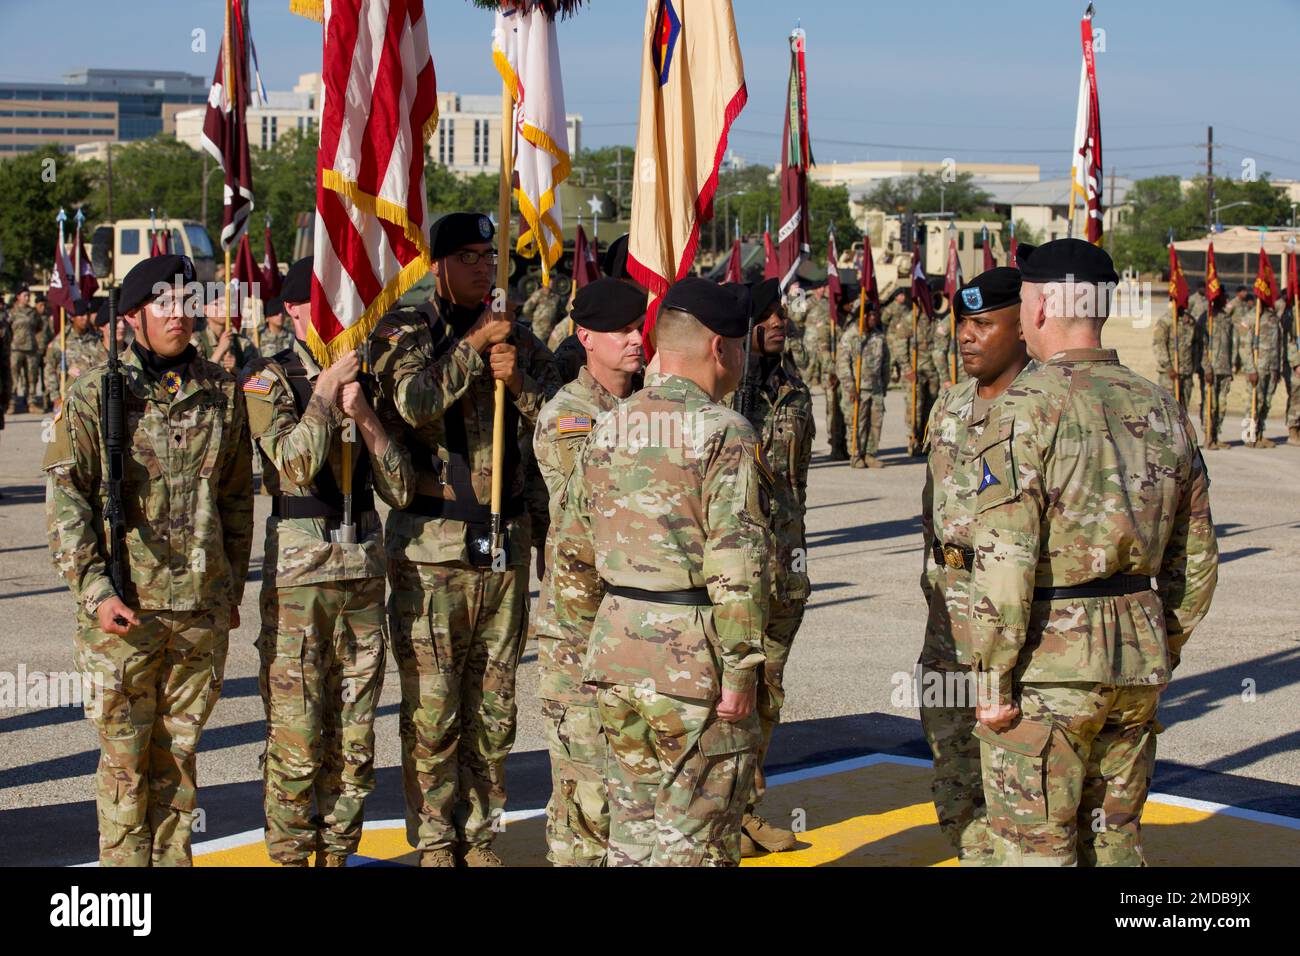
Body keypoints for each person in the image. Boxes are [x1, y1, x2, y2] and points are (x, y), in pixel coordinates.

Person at [965, 239, 1218, 867]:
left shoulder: (1025, 407)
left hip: (1048, 669)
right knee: (1116, 843)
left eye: (1023, 299)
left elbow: (1005, 557)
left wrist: (991, 679)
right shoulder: (1163, 407)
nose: (1020, 315)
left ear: (1045, 305)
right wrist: (1161, 642)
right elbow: (1198, 558)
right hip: (1136, 660)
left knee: (1033, 849)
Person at [44, 254, 254, 866]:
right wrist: (95, 590)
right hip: (123, 614)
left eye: (189, 303)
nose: (180, 315)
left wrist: (230, 590)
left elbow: (237, 498)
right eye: (166, 303)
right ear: (134, 316)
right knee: (125, 765)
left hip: (198, 613)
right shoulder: (95, 394)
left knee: (178, 764)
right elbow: (67, 504)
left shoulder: (220, 391)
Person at [552, 276, 771, 867]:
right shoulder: (724, 431)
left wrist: (582, 653)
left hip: (616, 649)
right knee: (694, 843)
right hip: (692, 661)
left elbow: (572, 551)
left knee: (631, 831)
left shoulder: (610, 425)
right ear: (721, 348)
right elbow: (737, 562)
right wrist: (743, 671)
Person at [369, 212, 560, 867]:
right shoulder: (404, 330)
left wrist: (521, 383)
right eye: (472, 256)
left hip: (503, 539)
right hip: (432, 548)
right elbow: (413, 404)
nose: (486, 267)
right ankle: (434, 838)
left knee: (495, 703)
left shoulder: (520, 338)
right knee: (434, 707)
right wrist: (473, 346)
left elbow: (555, 432)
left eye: (491, 256)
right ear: (441, 264)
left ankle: (478, 835)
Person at [242, 257, 413, 867]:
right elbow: (293, 466)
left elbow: (399, 488)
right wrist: (321, 397)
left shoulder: (369, 381)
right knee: (297, 735)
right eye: (319, 305)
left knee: (356, 735)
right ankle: (291, 857)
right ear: (291, 311)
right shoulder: (268, 379)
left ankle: (338, 853)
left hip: (362, 565)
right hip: (300, 570)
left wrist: (363, 413)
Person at [919, 267, 1030, 866]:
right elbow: (930, 506)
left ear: (1023, 327)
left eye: (984, 324)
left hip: (1011, 614)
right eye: (963, 324)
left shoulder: (1042, 407)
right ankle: (973, 852)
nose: (967, 336)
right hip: (948, 610)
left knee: (1015, 757)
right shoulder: (950, 403)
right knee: (950, 746)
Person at [533, 277, 646, 866]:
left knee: (634, 786)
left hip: (636, 626)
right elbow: (597, 507)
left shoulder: (648, 408)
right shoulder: (568, 417)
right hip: (580, 627)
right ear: (586, 338)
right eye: (621, 331)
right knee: (585, 789)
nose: (635, 339)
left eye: (639, 327)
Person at [731, 277, 812, 857]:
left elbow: (797, 484)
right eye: (768, 314)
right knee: (726, 692)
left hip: (785, 566)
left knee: (768, 693)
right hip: (733, 570)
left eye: (782, 312)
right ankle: (720, 810)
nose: (780, 321)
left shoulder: (793, 387)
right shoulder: (722, 392)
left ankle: (747, 806)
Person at [837, 304, 889, 468]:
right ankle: (856, 454)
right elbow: (842, 364)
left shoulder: (879, 337)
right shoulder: (851, 336)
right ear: (863, 316)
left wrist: (884, 384)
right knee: (856, 423)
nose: (874, 318)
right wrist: (850, 386)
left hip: (876, 388)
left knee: (875, 422)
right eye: (871, 314)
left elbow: (885, 363)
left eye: (875, 314)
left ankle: (870, 454)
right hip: (857, 389)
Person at [43, 299, 106, 410]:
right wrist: (55, 397)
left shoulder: (96, 338)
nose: (85, 319)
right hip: (68, 397)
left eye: (86, 314)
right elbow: (49, 368)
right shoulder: (61, 341)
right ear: (72, 317)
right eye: (80, 316)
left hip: (93, 398)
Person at [1243, 294, 1288, 448]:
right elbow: (1245, 346)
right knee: (1254, 402)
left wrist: (1279, 367)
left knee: (1266, 403)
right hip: (1258, 367)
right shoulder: (1252, 317)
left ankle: (1260, 433)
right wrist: (1250, 369)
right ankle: (1249, 435)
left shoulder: (1274, 317)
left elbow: (1279, 344)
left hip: (1272, 366)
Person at [1152, 297, 1201, 410]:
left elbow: (1196, 345)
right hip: (1169, 375)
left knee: (1183, 412)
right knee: (1168, 411)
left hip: (1186, 373)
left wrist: (1194, 366)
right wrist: (1169, 368)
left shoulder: (1191, 322)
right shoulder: (1165, 321)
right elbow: (1159, 345)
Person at [1201, 289, 1235, 450]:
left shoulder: (1227, 318)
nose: (1225, 299)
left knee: (1222, 405)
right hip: (1211, 369)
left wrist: (1233, 365)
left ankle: (1216, 435)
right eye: (1223, 296)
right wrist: (1206, 367)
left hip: (1225, 368)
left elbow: (1232, 342)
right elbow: (1202, 346)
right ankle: (1208, 436)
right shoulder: (1207, 318)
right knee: (1211, 404)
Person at [193, 288, 253, 373]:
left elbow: (256, 381)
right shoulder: (196, 342)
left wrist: (235, 370)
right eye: (217, 304)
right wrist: (220, 350)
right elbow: (196, 379)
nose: (225, 308)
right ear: (205, 310)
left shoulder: (243, 343)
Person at [8, 287, 41, 414]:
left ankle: (31, 402)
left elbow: (38, 327)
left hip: (31, 348)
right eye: (25, 295)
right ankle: (11, 403)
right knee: (14, 378)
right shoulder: (12, 312)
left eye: (28, 296)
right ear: (18, 297)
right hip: (15, 348)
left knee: (32, 377)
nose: (27, 298)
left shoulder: (33, 312)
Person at [881, 287, 910, 384]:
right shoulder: (890, 307)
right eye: (901, 295)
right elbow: (884, 319)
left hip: (902, 337)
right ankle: (888, 378)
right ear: (896, 297)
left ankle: (899, 378)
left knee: (901, 357)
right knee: (891, 357)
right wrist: (893, 326)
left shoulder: (905, 308)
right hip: (892, 336)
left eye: (904, 295)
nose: (903, 297)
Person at [523, 283, 564, 347]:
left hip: (552, 331)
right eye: (547, 279)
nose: (550, 282)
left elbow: (559, 312)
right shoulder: (538, 294)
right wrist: (535, 319)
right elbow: (526, 309)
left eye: (551, 280)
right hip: (539, 331)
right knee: (538, 351)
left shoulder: (556, 297)